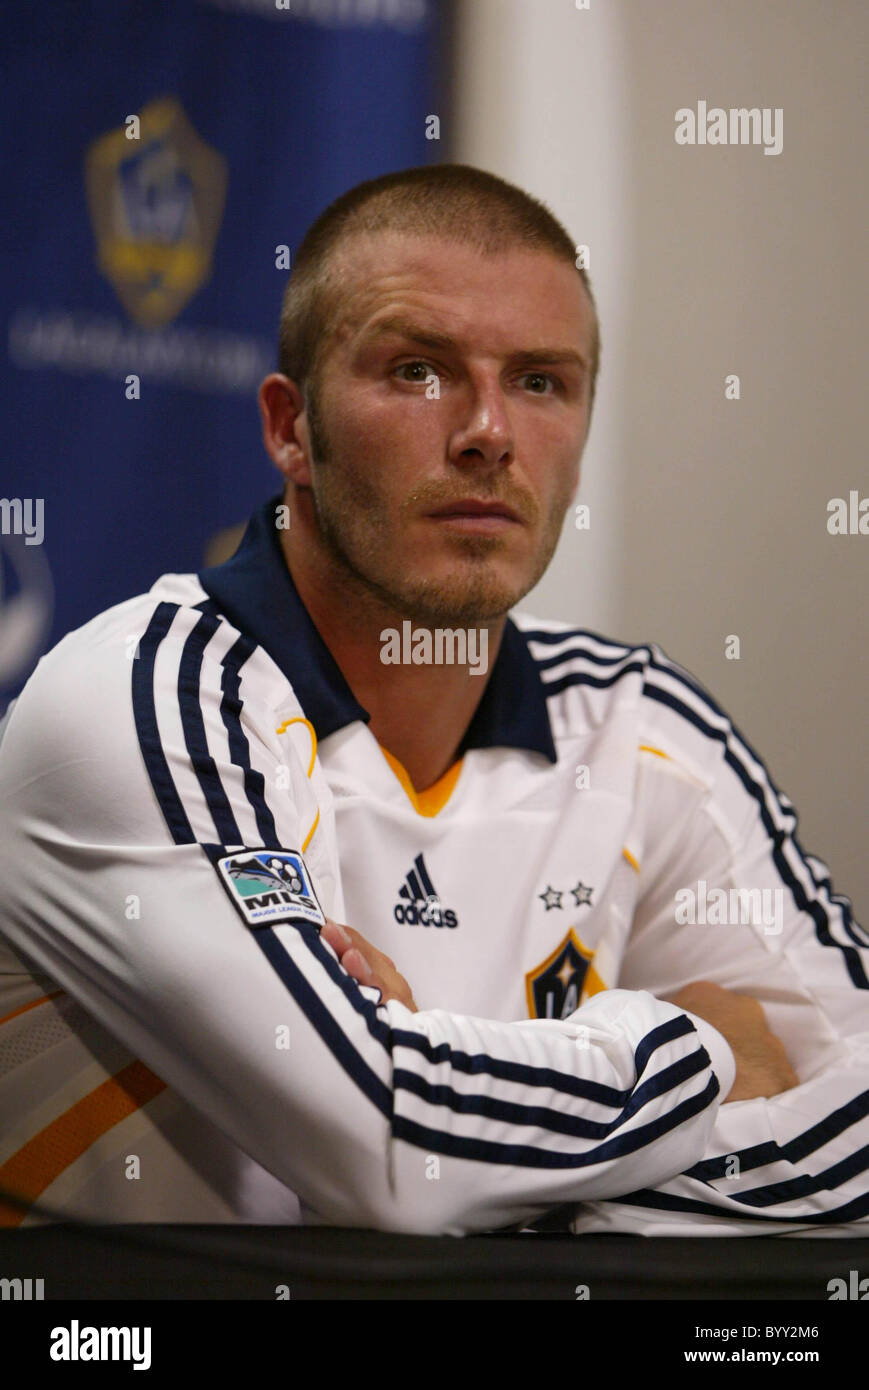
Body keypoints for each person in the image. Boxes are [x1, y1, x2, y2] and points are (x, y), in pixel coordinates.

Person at [0, 165, 865, 1237]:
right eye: (417, 370)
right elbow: (391, 1152)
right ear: (289, 429)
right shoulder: (145, 698)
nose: (488, 432)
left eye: (542, 382)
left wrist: (470, 1120)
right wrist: (700, 1045)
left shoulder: (644, 727)